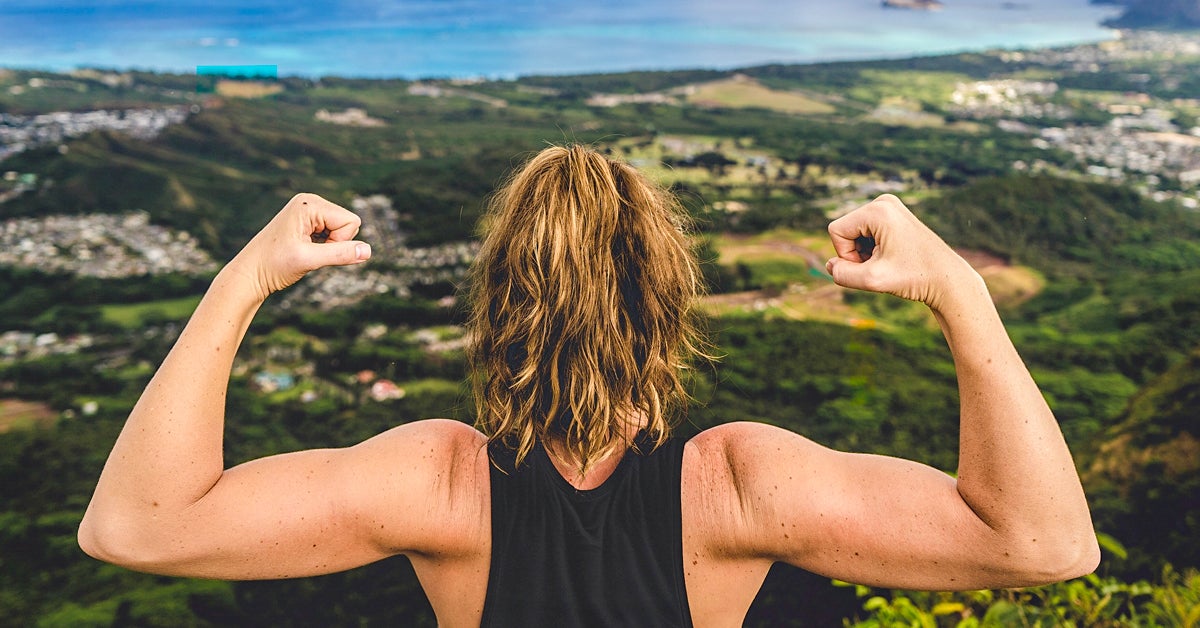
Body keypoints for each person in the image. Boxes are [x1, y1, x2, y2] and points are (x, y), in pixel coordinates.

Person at [78, 144, 1099, 626]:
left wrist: (241, 279)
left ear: (496, 305)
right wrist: (962, 295)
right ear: (668, 301)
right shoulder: (737, 485)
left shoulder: (438, 482)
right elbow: (1046, 544)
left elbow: (136, 527)